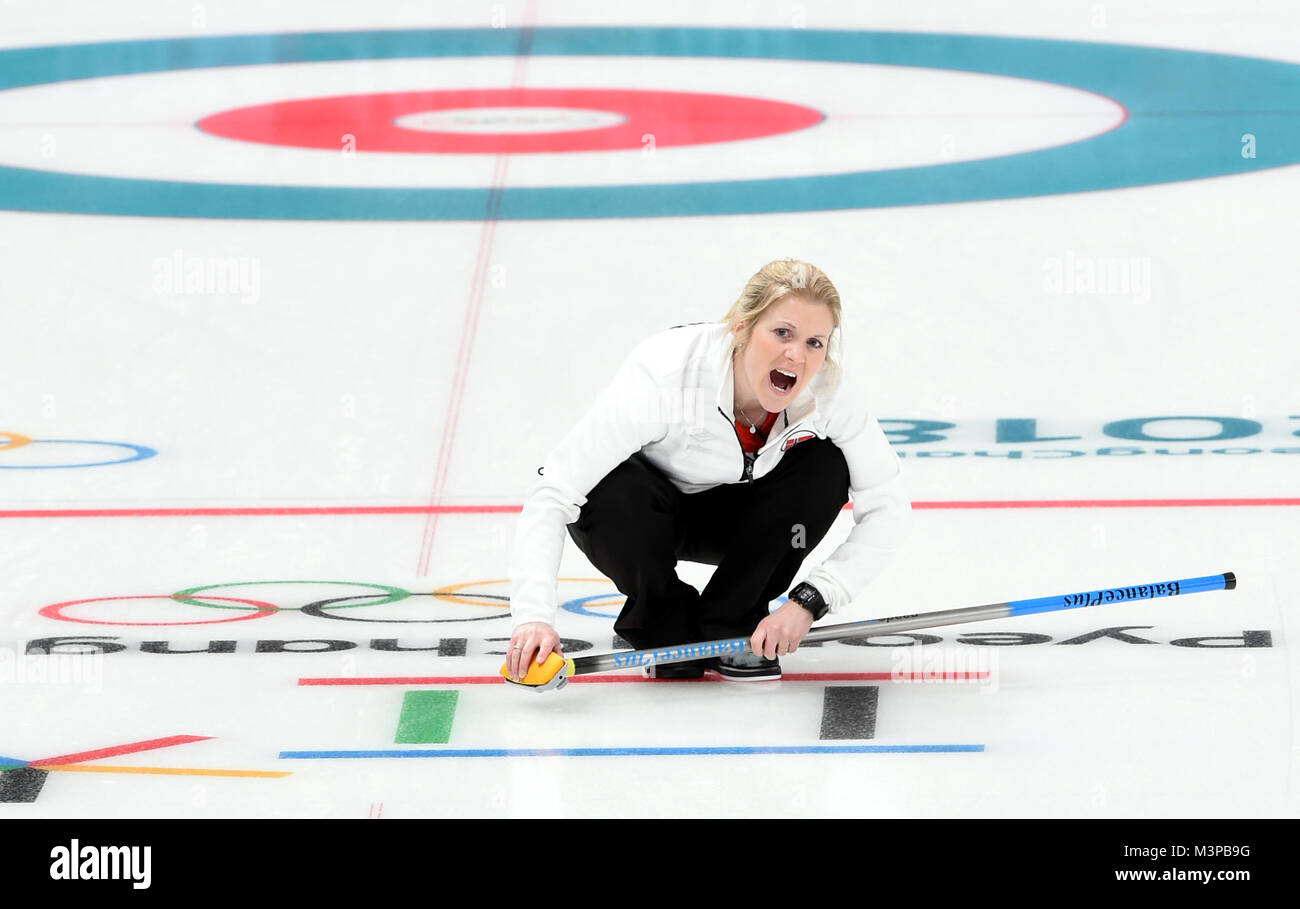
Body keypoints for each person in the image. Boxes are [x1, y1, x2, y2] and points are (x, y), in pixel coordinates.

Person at [505, 259, 910, 682]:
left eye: (815, 342)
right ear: (741, 327)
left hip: (750, 525)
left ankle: (734, 619)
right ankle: (662, 623)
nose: (797, 355)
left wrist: (810, 600)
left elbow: (888, 506)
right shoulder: (665, 374)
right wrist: (532, 617)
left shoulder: (829, 392)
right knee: (608, 488)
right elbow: (554, 492)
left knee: (826, 465)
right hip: (652, 519)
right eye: (782, 333)